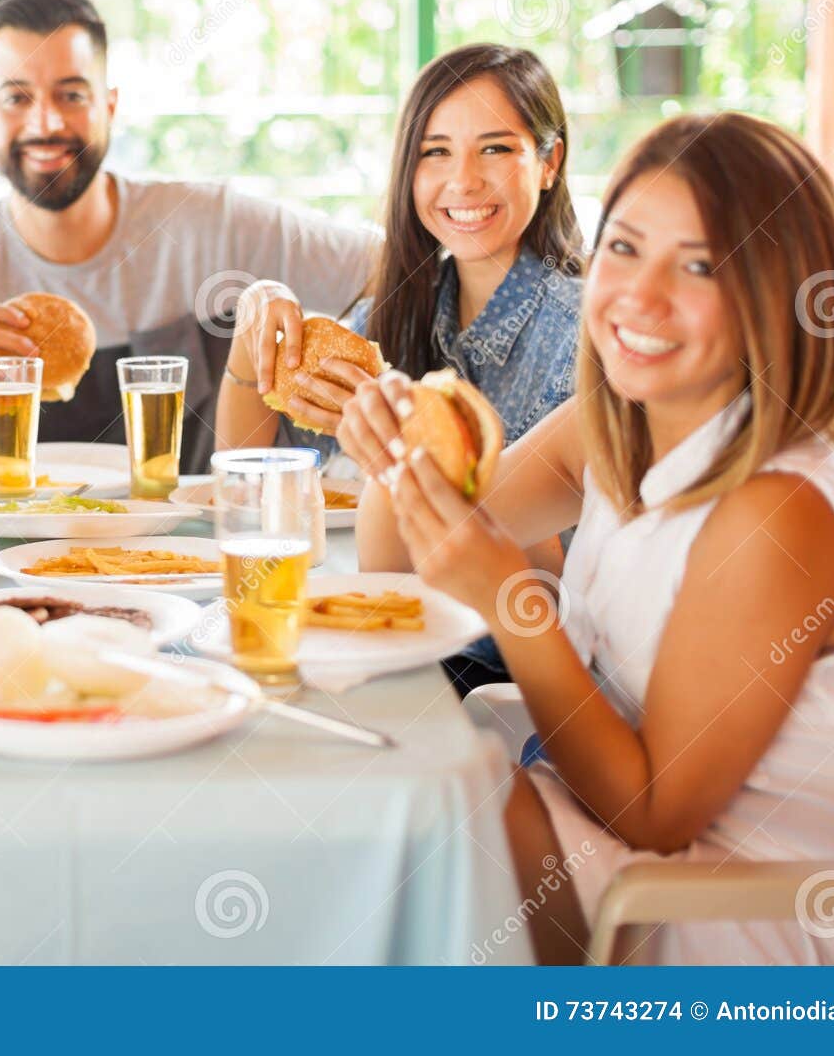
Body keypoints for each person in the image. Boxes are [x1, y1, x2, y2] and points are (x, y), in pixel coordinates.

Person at [339, 112, 834, 964]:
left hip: (753, 915)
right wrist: (398, 443)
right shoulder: (618, 424)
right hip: (621, 842)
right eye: (624, 248)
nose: (640, 295)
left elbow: (656, 813)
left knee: (404, 850)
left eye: (698, 265)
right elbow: (398, 561)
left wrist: (506, 599)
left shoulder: (776, 510)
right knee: (385, 815)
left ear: (778, 294)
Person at [0, 0, 379, 471]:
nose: (45, 123)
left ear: (109, 106)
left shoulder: (212, 224)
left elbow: (395, 269)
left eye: (71, 94)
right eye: (16, 98)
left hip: (194, 551)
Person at [219, 43, 584, 694]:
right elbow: (256, 477)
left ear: (549, 161)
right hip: (392, 640)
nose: (463, 180)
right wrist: (254, 334)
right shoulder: (405, 305)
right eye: (435, 151)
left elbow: (557, 595)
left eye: (496, 149)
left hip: (501, 682)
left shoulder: (589, 332)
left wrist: (406, 448)